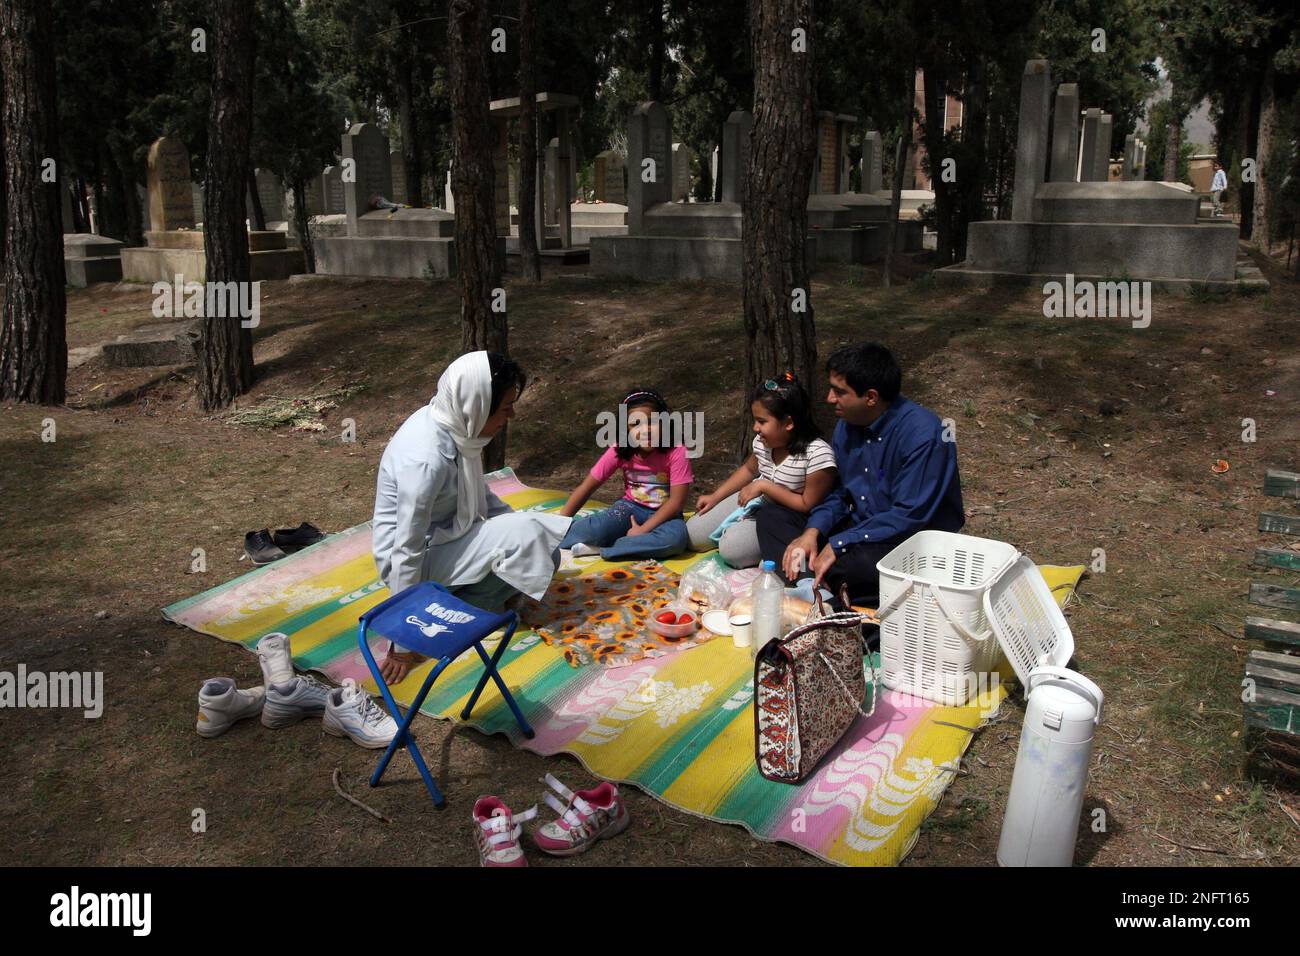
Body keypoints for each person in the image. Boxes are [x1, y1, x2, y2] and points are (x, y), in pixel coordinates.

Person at [371, 351, 571, 683]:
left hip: (448, 538)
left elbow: (482, 496)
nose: (511, 415)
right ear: (478, 404)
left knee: (544, 549)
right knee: (529, 541)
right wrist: (404, 641)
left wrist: (520, 530)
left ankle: (467, 603)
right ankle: (456, 612)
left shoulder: (456, 427)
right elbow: (405, 549)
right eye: (506, 408)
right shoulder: (425, 459)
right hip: (415, 558)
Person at [777, 343, 964, 608]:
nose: (830, 398)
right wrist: (812, 531)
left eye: (839, 392)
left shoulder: (925, 436)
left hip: (910, 543)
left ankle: (822, 590)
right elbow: (840, 492)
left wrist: (839, 544)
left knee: (854, 566)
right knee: (775, 517)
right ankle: (819, 587)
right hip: (862, 528)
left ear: (871, 397)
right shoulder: (846, 427)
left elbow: (908, 516)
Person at [687, 372, 836, 568]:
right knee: (692, 534)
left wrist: (764, 486)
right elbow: (749, 469)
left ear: (789, 423)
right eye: (755, 420)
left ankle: (761, 543)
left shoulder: (817, 454)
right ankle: (736, 528)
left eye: (762, 421)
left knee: (732, 549)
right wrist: (716, 497)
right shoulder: (764, 442)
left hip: (784, 516)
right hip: (755, 498)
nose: (756, 428)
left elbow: (806, 504)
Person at [557, 388, 692, 561]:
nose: (645, 430)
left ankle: (604, 549)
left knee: (675, 541)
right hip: (629, 508)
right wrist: (558, 524)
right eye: (635, 424)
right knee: (593, 530)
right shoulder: (620, 449)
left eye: (652, 421)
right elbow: (588, 486)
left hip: (666, 514)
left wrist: (642, 531)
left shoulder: (677, 451)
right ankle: (620, 543)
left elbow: (676, 503)